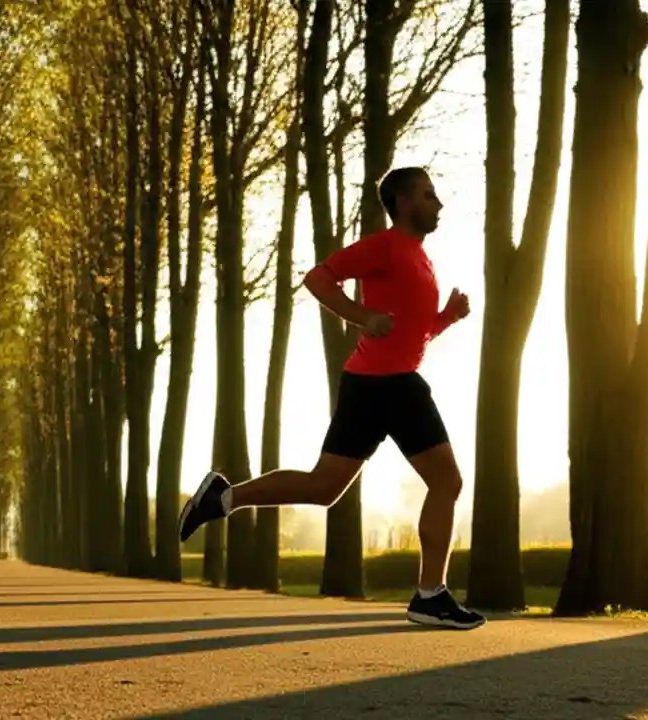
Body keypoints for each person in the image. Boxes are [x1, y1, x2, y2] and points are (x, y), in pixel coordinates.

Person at [177, 166, 485, 630]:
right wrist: (361, 315)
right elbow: (319, 278)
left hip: (376, 383)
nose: (438, 203)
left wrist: (447, 317)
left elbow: (412, 334)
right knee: (447, 481)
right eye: (428, 195)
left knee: (324, 487)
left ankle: (223, 497)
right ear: (403, 202)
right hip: (390, 385)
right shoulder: (384, 246)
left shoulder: (420, 257)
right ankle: (430, 595)